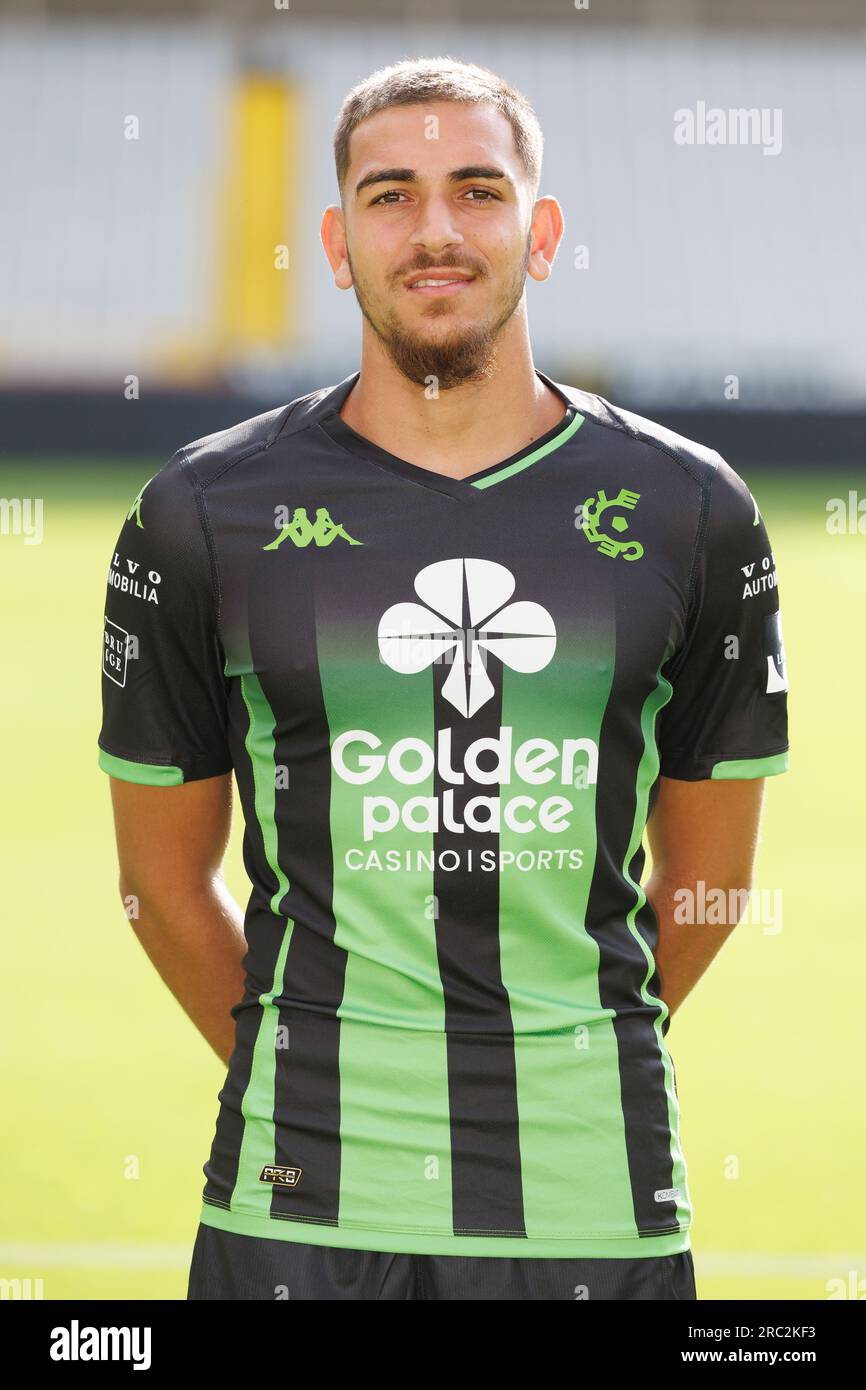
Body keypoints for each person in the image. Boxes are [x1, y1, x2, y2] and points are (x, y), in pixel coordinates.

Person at [99, 57, 789, 1301]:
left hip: (596, 1204)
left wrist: (562, 1056)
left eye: (477, 190)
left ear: (543, 230)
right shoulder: (201, 510)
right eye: (388, 194)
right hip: (293, 1202)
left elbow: (710, 882)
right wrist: (312, 1069)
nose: (433, 231)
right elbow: (158, 877)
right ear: (332, 238)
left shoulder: (691, 510)